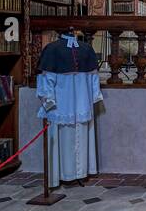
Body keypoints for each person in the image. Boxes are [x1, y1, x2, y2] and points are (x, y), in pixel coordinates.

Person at [36, 28, 102, 186]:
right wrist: (94, 96)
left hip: (62, 102)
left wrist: (48, 100)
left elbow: (46, 81)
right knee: (71, 136)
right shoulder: (86, 49)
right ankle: (76, 173)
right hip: (78, 102)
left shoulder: (52, 49)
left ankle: (68, 173)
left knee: (67, 138)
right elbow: (94, 80)